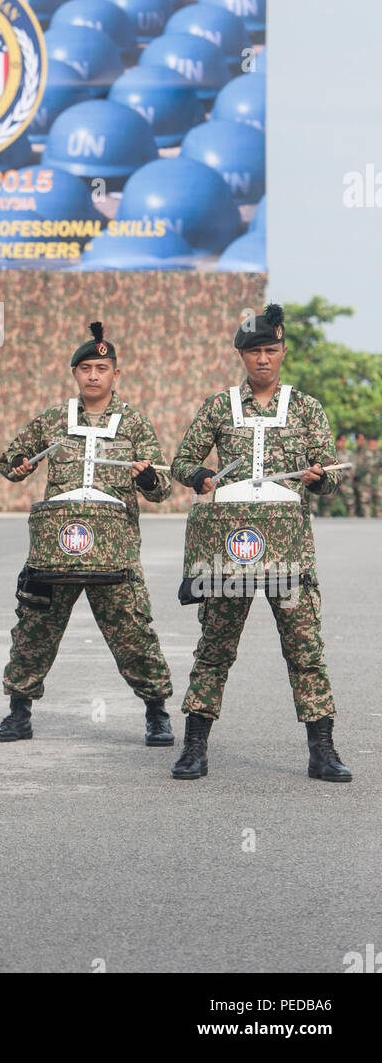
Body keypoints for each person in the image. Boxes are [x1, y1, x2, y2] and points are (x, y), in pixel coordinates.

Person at [170, 304, 351, 783]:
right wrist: (201, 476)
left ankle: (323, 750)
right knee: (215, 648)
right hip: (230, 554)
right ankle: (194, 748)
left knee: (305, 650)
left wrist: (317, 478)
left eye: (270, 350)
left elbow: (330, 478)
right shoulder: (219, 406)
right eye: (254, 352)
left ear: (283, 351)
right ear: (240, 356)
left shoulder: (306, 408)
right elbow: (181, 460)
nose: (263, 360)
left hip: (289, 555)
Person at [0, 320, 175, 748]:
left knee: (133, 630)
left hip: (114, 550)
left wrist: (146, 479)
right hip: (57, 546)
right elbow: (8, 463)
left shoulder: (135, 425)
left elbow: (163, 489)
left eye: (102, 368)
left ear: (116, 374)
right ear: (75, 373)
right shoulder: (54, 420)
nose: (94, 375)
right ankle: (19, 712)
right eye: (86, 367)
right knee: (34, 627)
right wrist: (20, 464)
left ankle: (156, 713)